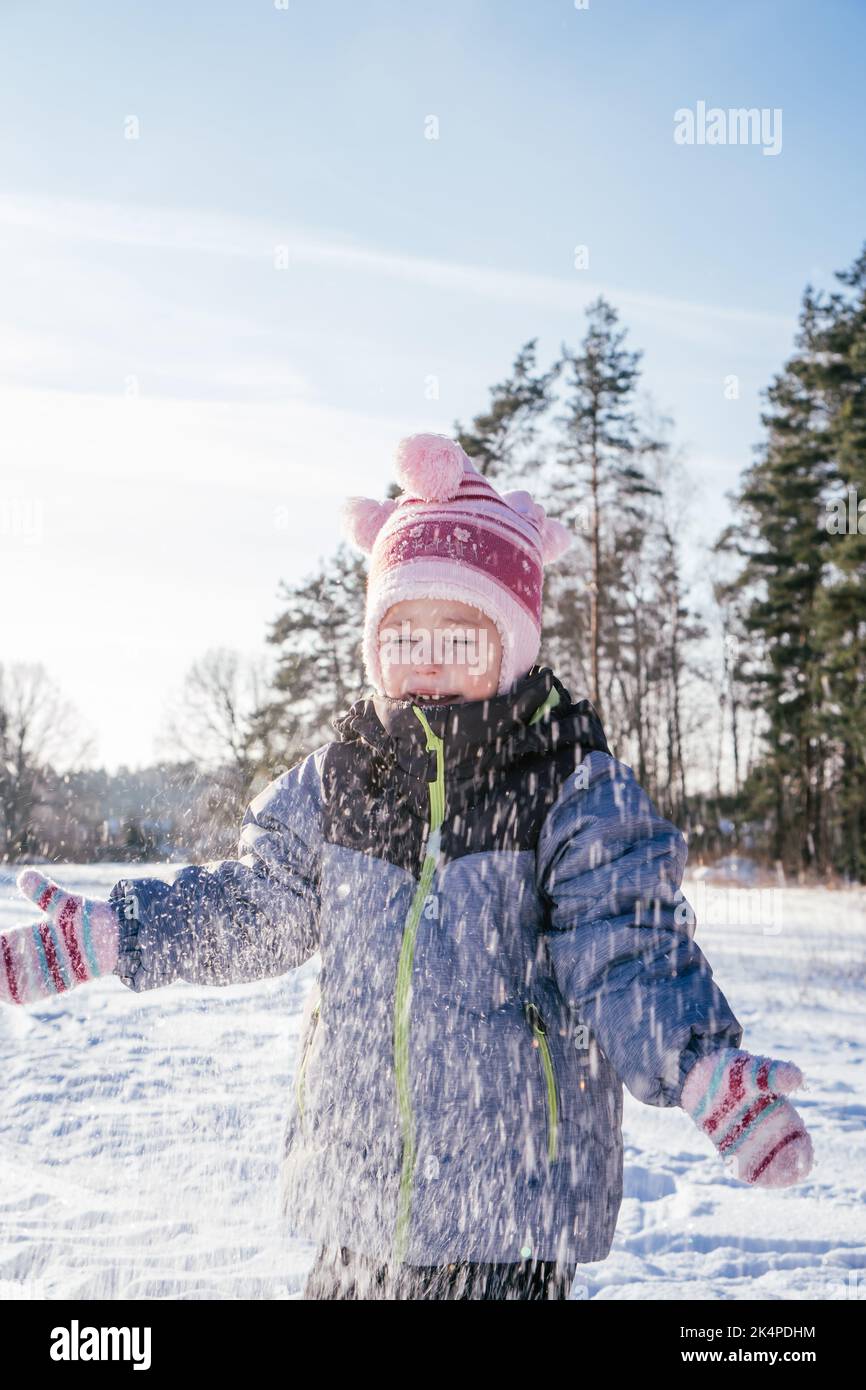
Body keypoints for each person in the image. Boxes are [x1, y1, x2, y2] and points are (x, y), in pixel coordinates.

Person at [0, 432, 814, 1301]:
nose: (426, 663)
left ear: (513, 647)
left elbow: (627, 949)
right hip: (356, 1203)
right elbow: (258, 907)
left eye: (460, 642)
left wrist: (700, 1067)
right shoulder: (338, 779)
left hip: (505, 1219)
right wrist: (122, 934)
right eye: (401, 637)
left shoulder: (567, 787)